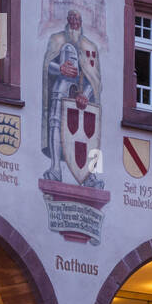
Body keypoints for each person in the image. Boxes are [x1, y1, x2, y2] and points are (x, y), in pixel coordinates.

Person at [40, 10, 102, 183]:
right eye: (72, 18)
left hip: (83, 96)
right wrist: (59, 69)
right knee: (55, 122)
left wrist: (86, 95)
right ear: (67, 20)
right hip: (60, 88)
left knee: (86, 133)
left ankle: (89, 174)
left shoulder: (90, 46)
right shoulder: (56, 39)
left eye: (78, 18)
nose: (75, 21)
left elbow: (96, 80)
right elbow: (47, 65)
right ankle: (55, 168)